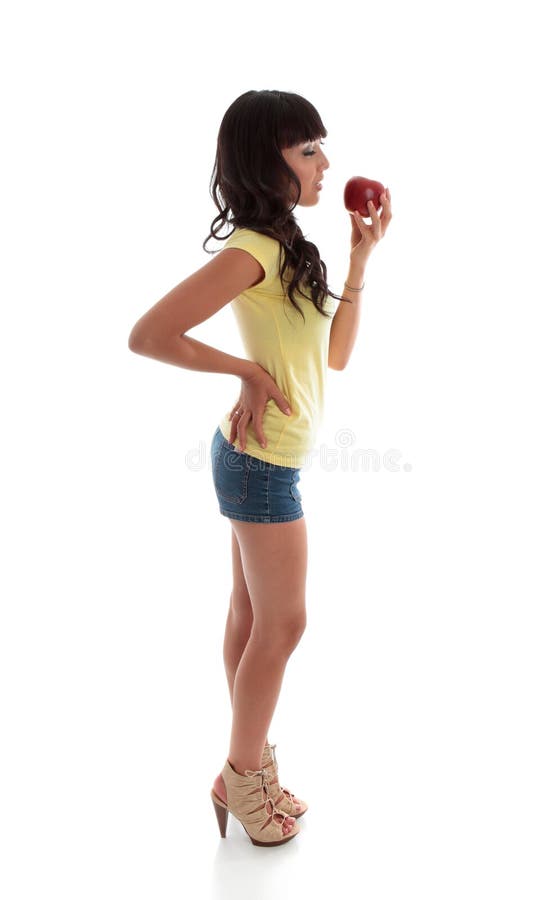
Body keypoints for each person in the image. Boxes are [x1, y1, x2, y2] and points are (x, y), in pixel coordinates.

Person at [128, 89, 392, 846]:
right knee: (284, 621)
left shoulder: (286, 247)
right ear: (264, 162)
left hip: (262, 459)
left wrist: (360, 260)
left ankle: (245, 768)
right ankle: (243, 779)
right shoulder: (252, 249)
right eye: (307, 150)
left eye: (320, 147)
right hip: (259, 465)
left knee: (252, 619)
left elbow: (334, 357)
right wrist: (243, 370)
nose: (325, 163)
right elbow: (149, 335)